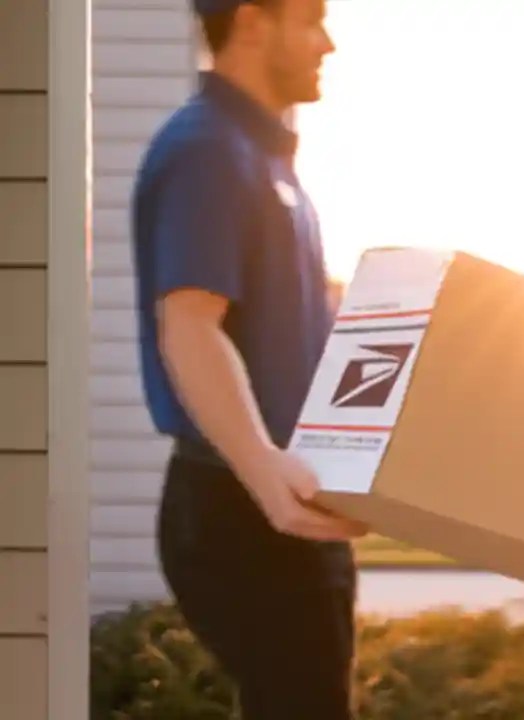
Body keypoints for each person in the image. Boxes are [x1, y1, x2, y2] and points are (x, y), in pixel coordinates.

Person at [129, 1, 366, 717]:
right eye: (311, 20)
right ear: (253, 23)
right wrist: (265, 475)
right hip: (238, 507)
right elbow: (189, 327)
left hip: (283, 501)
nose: (327, 41)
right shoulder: (208, 150)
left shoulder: (266, 158)